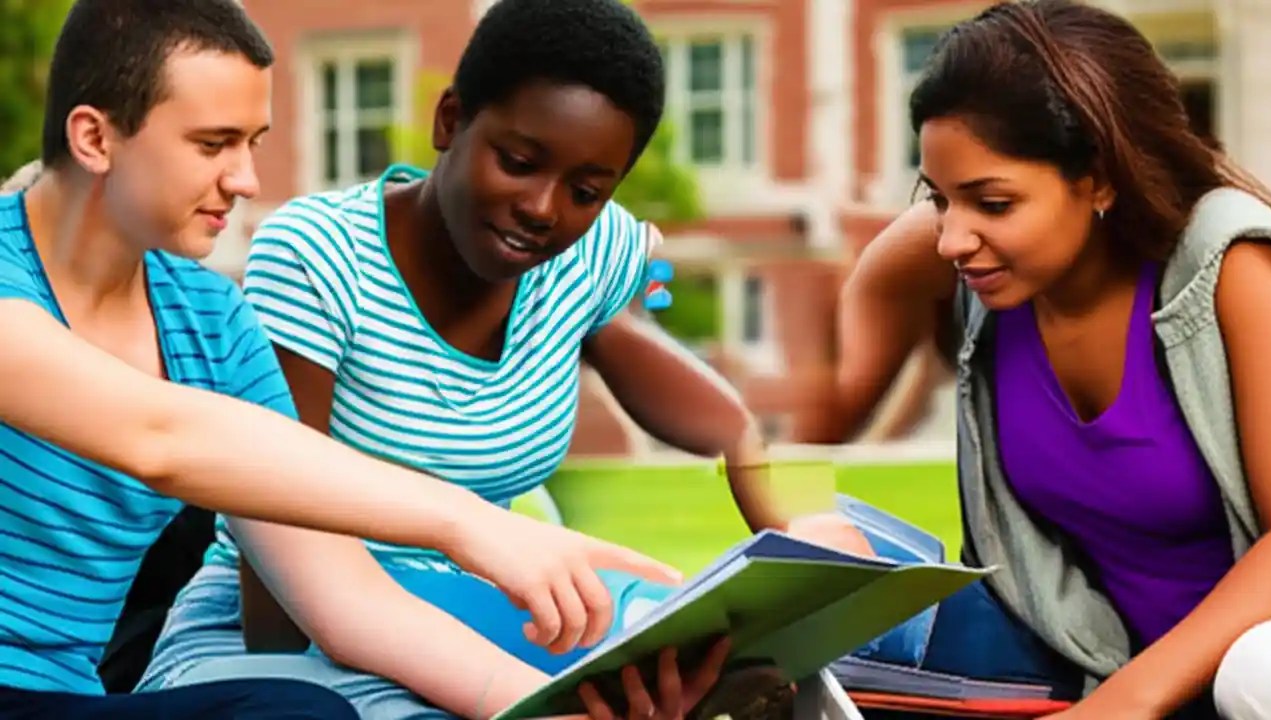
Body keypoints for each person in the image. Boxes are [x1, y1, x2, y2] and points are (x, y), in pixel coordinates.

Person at [138, 0, 873, 718]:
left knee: (714, 656)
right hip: (299, 638)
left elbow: (728, 425)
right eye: (520, 162)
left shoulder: (585, 254)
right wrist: (493, 688)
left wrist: (798, 513)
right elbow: (287, 585)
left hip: (493, 606)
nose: (545, 208)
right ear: (451, 121)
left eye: (586, 190)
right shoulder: (317, 258)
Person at [0, 0, 699, 717]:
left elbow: (345, 599)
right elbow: (159, 438)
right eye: (214, 145)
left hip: (65, 701)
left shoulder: (214, 323)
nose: (245, 181)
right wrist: (468, 521)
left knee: (303, 713)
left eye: (253, 144)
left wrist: (539, 708)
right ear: (94, 137)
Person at [812, 1, 1271, 718]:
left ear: (1099, 178)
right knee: (812, 580)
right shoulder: (971, 252)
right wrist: (806, 518)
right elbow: (824, 382)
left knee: (1261, 672)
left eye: (991, 202)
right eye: (938, 199)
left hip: (1226, 673)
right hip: (1086, 657)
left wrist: (1127, 704)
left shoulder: (1232, 268)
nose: (950, 238)